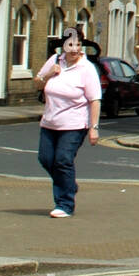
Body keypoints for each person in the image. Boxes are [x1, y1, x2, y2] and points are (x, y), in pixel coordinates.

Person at [35, 27, 101, 217]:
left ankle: (64, 204)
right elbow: (37, 82)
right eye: (70, 45)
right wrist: (49, 74)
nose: (74, 49)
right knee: (46, 159)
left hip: (74, 124)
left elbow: (95, 99)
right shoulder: (55, 61)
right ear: (63, 46)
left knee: (63, 160)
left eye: (78, 45)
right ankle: (69, 184)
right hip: (50, 122)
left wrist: (93, 128)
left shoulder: (87, 68)